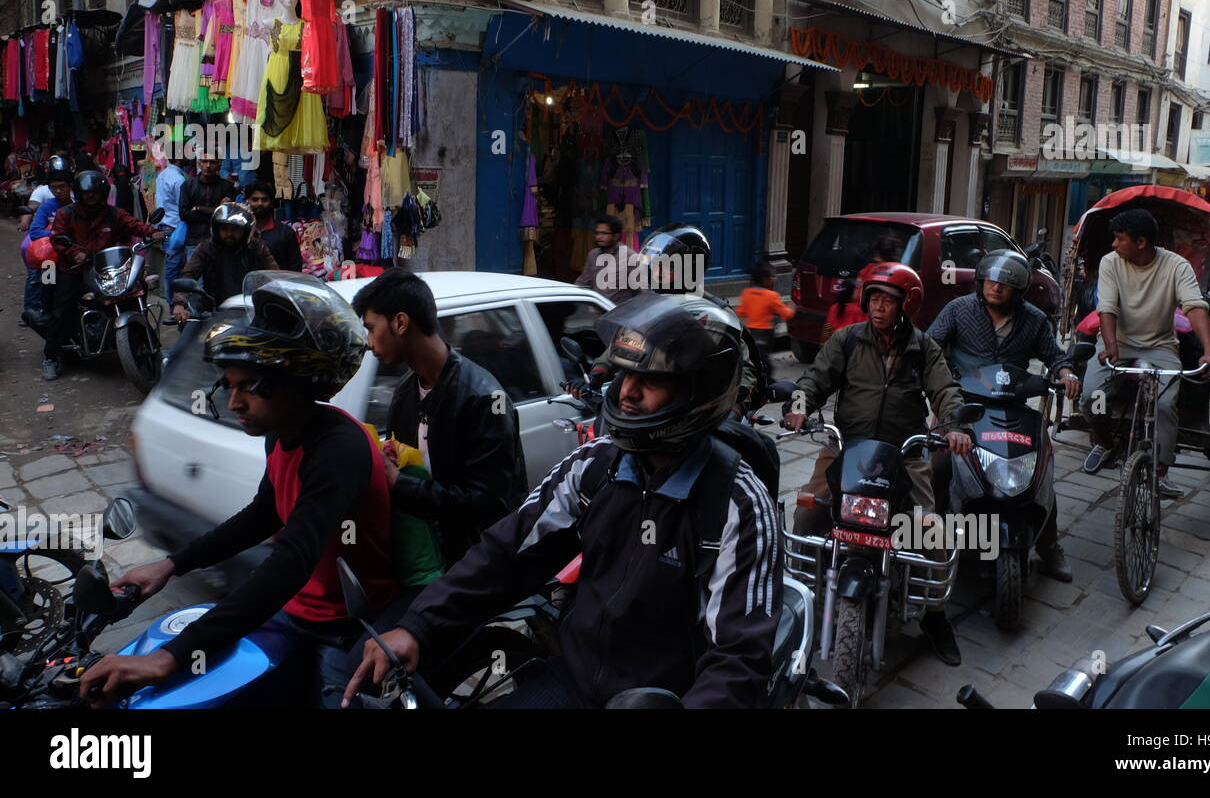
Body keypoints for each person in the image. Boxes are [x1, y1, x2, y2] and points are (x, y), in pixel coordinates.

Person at [343, 295, 781, 709]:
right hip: (571, 681)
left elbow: (738, 659)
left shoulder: (738, 506)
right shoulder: (595, 466)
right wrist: (418, 626)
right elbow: (507, 553)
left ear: (698, 393)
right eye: (626, 374)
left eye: (650, 381)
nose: (626, 392)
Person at [78, 273, 397, 709]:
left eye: (250, 387)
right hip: (294, 612)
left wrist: (169, 658)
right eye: (230, 386)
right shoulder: (283, 434)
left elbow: (291, 562)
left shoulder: (339, 450)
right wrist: (172, 565)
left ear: (296, 383)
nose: (234, 404)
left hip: (344, 625)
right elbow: (264, 514)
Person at [782, 261, 969, 665]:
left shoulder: (924, 348)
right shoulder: (847, 340)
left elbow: (946, 391)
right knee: (808, 513)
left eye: (888, 300)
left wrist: (954, 426)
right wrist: (798, 407)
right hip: (846, 447)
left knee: (928, 529)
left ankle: (935, 615)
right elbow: (814, 378)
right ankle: (800, 597)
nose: (879, 307)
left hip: (905, 453)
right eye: (875, 299)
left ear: (908, 304)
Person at [351, 268, 527, 567]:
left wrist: (398, 484)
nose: (368, 342)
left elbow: (488, 505)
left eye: (370, 328)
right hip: (429, 558)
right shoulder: (406, 392)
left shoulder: (482, 398)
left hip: (477, 565)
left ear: (401, 322)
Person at [927, 251, 1080, 582]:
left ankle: (1049, 544)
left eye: (1006, 284)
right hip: (959, 402)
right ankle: (930, 538)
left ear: (1020, 291)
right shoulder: (957, 310)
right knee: (936, 465)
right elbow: (929, 348)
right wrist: (937, 382)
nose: (997, 288)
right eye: (992, 281)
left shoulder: (1035, 320)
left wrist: (1066, 371)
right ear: (982, 282)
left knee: (1041, 468)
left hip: (1012, 405)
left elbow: (1054, 356)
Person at [1080, 209, 1210, 497]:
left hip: (1160, 345)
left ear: (1141, 242)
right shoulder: (1111, 263)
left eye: (1119, 239)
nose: (1114, 244)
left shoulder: (1176, 266)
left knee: (1166, 406)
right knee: (1090, 398)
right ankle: (1105, 442)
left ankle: (1160, 472)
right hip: (1116, 342)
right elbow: (1106, 307)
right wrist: (1110, 346)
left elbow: (1194, 307)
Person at [586, 224, 762, 415]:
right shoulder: (650, 304)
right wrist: (599, 370)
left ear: (691, 270)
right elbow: (627, 341)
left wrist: (735, 408)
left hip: (695, 411)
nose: (656, 274)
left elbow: (744, 369)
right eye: (654, 266)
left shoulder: (712, 313)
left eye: (667, 267)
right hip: (650, 408)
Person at [39, 170, 165, 381]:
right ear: (79, 193)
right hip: (75, 270)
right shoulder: (66, 214)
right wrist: (76, 253)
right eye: (87, 193)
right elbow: (58, 238)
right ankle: (51, 357)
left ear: (103, 193)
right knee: (62, 309)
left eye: (95, 193)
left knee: (137, 291)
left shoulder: (113, 213)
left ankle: (148, 345)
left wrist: (152, 232)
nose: (91, 196)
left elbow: (134, 224)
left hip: (108, 269)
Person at [170, 202, 279, 325]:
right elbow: (188, 275)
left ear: (245, 230)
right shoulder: (206, 248)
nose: (229, 234)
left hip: (252, 312)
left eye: (235, 229)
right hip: (214, 312)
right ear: (216, 228)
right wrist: (180, 303)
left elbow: (274, 275)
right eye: (224, 228)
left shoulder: (256, 247)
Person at [21, 155, 75, 322]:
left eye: (61, 187)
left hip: (74, 255)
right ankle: (39, 314)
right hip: (51, 258)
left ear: (70, 186)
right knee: (45, 284)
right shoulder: (47, 207)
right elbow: (35, 231)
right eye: (54, 188)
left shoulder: (79, 204)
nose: (58, 191)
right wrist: (56, 235)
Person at [735, 261, 794, 379]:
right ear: (764, 279)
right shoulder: (771, 296)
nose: (774, 279)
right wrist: (792, 307)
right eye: (771, 276)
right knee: (765, 363)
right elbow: (787, 314)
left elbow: (741, 312)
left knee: (756, 358)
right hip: (766, 334)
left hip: (752, 332)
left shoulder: (747, 293)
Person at [179, 153, 236, 261]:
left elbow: (226, 215)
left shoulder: (227, 187)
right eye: (205, 162)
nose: (208, 165)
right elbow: (184, 214)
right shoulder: (188, 185)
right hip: (194, 241)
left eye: (213, 162)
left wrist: (198, 208)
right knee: (194, 275)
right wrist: (216, 210)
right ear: (199, 164)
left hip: (219, 241)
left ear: (219, 165)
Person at [574, 213, 635, 305]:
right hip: (598, 312)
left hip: (620, 314)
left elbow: (642, 291)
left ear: (616, 236)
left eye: (604, 233)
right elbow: (582, 283)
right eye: (597, 233)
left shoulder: (629, 257)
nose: (599, 237)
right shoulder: (593, 255)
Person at [244, 181, 303, 273]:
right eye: (255, 199)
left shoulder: (285, 233)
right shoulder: (241, 231)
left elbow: (295, 268)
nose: (260, 203)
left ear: (271, 202)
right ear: (247, 201)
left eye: (264, 200)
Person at [153, 156, 188, 301]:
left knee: (172, 267)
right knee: (175, 268)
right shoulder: (179, 179)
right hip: (175, 226)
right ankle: (173, 304)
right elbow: (183, 205)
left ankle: (172, 303)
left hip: (166, 224)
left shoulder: (163, 174)